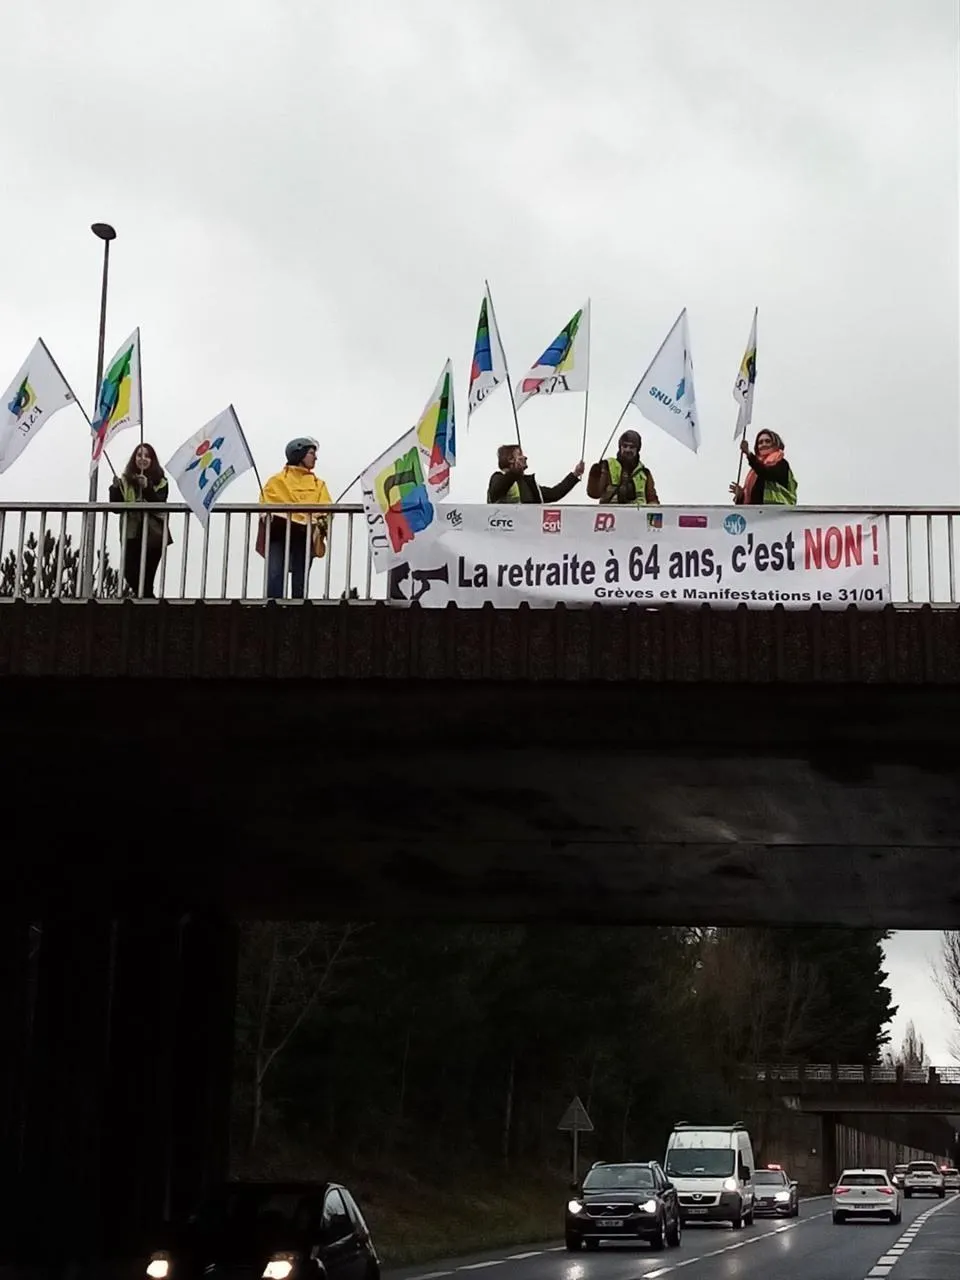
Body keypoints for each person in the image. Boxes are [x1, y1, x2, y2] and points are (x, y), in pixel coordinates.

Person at [257, 437, 332, 598]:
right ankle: (273, 610)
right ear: (299, 454)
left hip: (304, 536)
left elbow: (325, 510)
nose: (315, 457)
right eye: (312, 453)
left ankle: (298, 613)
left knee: (301, 579)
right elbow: (266, 507)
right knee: (275, 574)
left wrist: (318, 522)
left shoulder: (319, 484)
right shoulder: (276, 481)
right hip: (279, 534)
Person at [108, 442, 172, 598]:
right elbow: (116, 508)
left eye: (147, 456)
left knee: (147, 577)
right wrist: (115, 489)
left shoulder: (161, 481)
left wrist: (148, 487)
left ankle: (147, 611)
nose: (142, 459)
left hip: (153, 535)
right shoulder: (126, 480)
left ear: (152, 460)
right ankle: (150, 607)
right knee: (130, 573)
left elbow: (160, 503)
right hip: (132, 534)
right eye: (139, 455)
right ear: (134, 458)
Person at [486, 444, 584, 504]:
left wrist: (575, 474)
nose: (525, 457)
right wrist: (515, 472)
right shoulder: (498, 478)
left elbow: (554, 493)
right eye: (520, 455)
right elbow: (497, 490)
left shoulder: (529, 485)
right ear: (510, 460)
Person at [586, 429, 659, 505]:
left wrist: (653, 509)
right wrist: (594, 477)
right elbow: (594, 494)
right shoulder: (607, 465)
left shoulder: (644, 473)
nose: (628, 449)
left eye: (632, 447)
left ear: (638, 449)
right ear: (620, 447)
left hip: (637, 515)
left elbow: (652, 499)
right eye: (625, 446)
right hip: (611, 514)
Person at [729, 430, 798, 505]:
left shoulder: (781, 463)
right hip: (758, 514)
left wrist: (749, 454)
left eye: (767, 441)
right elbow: (751, 502)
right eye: (760, 442)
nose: (763, 444)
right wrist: (741, 496)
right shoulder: (754, 472)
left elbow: (767, 473)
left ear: (775, 444)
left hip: (778, 513)